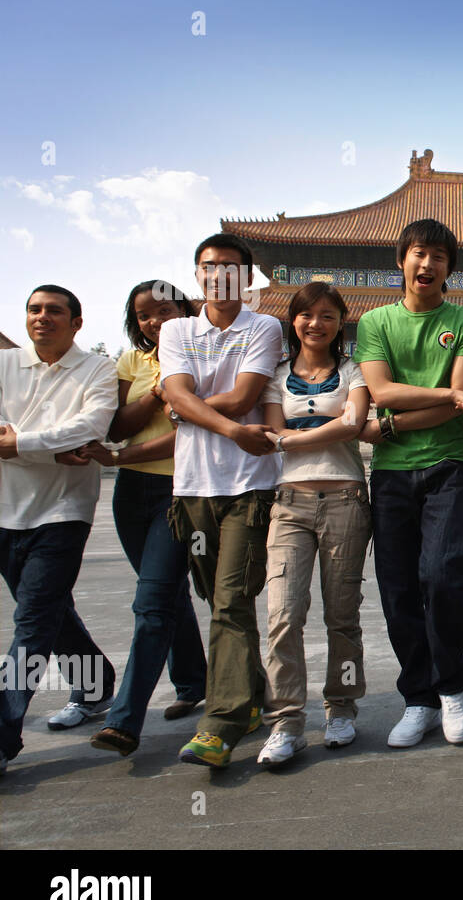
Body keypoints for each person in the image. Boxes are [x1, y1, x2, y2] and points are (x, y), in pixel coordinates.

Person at [355, 218, 463, 749]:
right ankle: (419, 698)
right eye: (418, 253)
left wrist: (389, 424)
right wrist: (444, 398)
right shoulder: (374, 322)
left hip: (448, 467)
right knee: (398, 588)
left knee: (442, 576)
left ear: (449, 269)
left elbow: (455, 397)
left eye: (438, 256)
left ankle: (451, 688)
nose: (427, 264)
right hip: (389, 474)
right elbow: (382, 390)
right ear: (401, 260)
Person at [161, 234, 284, 767]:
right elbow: (178, 392)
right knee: (216, 600)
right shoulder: (175, 328)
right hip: (192, 488)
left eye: (231, 268)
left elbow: (242, 398)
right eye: (210, 268)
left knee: (232, 600)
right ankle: (252, 692)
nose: (220, 276)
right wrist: (227, 428)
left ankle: (222, 721)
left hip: (248, 487)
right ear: (197, 275)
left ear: (247, 277)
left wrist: (187, 408)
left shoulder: (265, 326)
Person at [81, 280, 207, 757]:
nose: (155, 321)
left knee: (152, 601)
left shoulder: (199, 356)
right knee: (166, 593)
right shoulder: (131, 362)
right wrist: (156, 395)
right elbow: (114, 424)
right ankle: (194, 682)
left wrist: (117, 458)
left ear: (184, 309)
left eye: (164, 310)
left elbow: (191, 432)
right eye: (144, 315)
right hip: (131, 494)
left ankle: (124, 719)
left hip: (179, 489)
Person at [0, 285, 118, 775]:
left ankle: (3, 737)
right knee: (49, 613)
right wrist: (47, 450)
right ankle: (95, 685)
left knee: (31, 622)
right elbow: (63, 439)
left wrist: (15, 443)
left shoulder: (97, 370)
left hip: (64, 511)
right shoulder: (4, 366)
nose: (41, 317)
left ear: (77, 322)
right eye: (34, 310)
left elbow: (88, 429)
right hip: (5, 510)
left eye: (54, 310)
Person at [255, 282, 372, 765]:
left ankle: (341, 706)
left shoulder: (354, 371)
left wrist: (290, 439)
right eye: (307, 315)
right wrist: (296, 437)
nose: (315, 324)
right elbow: (270, 432)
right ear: (293, 320)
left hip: (344, 498)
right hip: (290, 504)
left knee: (342, 616)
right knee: (283, 615)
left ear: (340, 322)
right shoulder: (275, 377)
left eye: (327, 316)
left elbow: (353, 425)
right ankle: (286, 721)